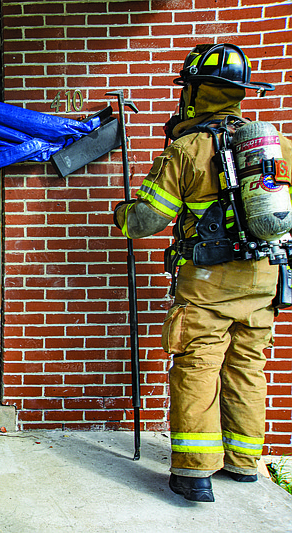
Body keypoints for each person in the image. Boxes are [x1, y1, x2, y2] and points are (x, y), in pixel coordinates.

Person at [113, 43, 292, 502]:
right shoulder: (278, 148)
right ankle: (244, 463)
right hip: (265, 280)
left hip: (209, 284)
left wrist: (122, 212)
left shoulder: (189, 149)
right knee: (248, 368)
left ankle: (194, 474)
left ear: (195, 93)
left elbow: (146, 221)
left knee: (198, 366)